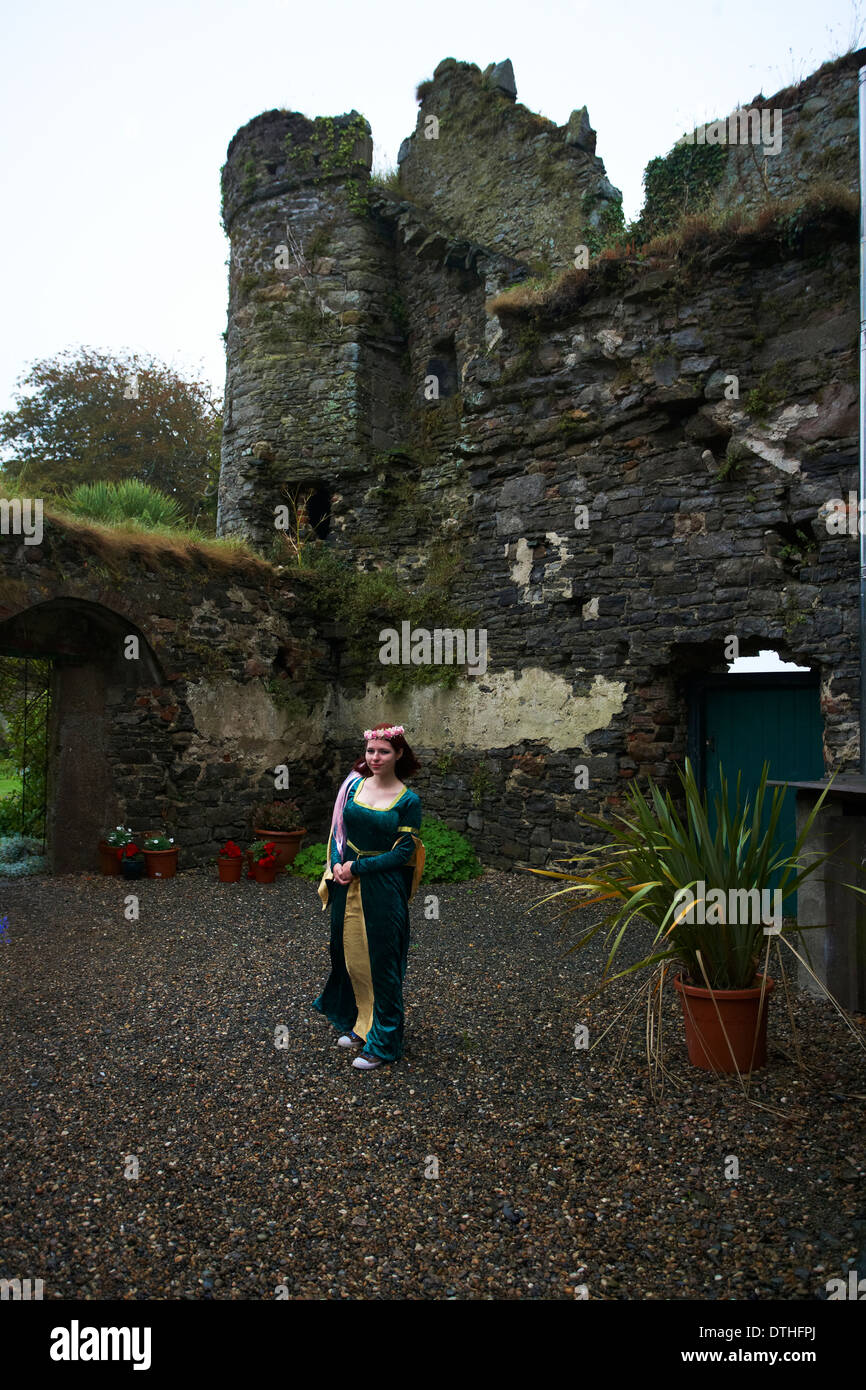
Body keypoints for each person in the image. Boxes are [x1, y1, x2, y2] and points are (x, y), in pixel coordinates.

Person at [312, 723, 424, 1071]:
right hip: (345, 880)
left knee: (382, 962)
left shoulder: (408, 800)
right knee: (347, 953)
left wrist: (356, 867)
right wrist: (335, 864)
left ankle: (385, 1042)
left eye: (384, 752)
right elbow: (337, 833)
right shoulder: (354, 786)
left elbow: (403, 852)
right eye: (371, 751)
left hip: (382, 887)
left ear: (399, 754)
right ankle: (360, 1024)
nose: (375, 758)